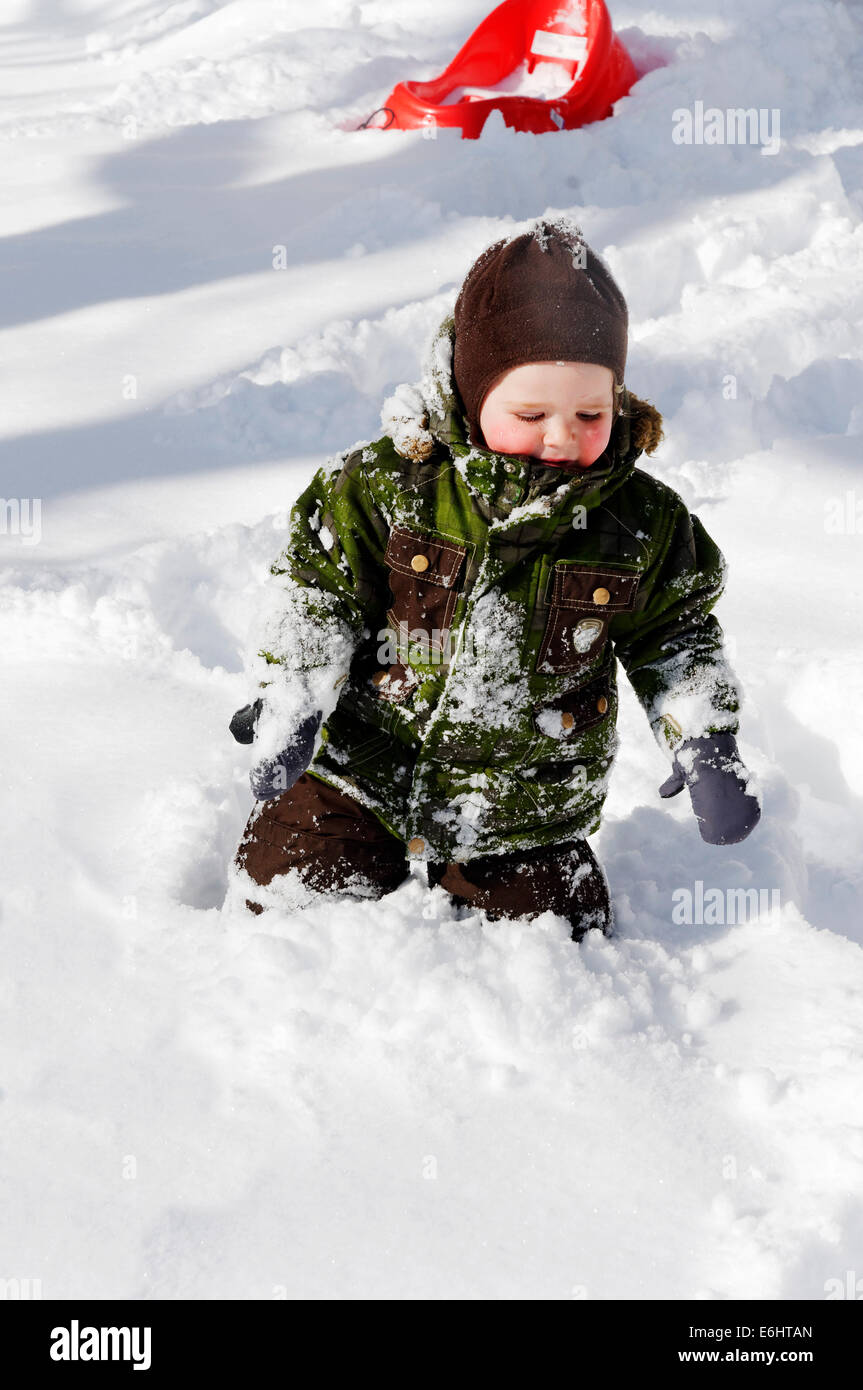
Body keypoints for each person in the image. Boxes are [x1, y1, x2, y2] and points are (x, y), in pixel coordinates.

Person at [228, 216, 760, 939]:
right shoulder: (391, 483)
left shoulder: (641, 522)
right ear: (472, 397)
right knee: (286, 891)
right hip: (362, 772)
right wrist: (292, 689)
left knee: (551, 941)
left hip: (522, 806)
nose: (561, 435)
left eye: (590, 412)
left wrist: (704, 736)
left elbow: (676, 635)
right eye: (531, 412)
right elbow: (317, 590)